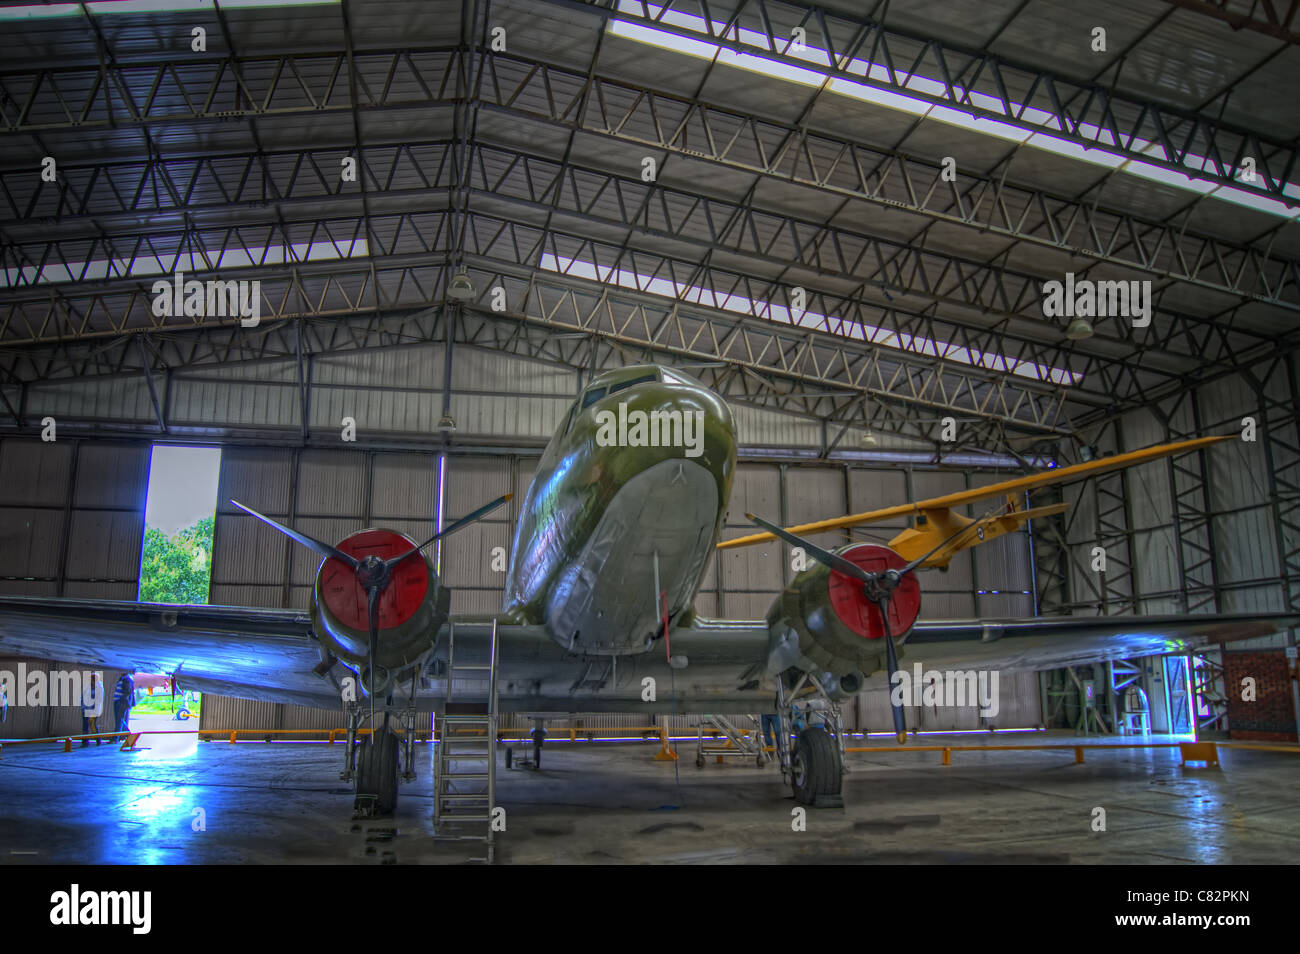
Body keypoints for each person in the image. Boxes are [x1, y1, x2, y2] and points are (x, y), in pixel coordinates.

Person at [112, 672, 136, 742]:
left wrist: (121, 699)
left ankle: (116, 738)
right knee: (120, 720)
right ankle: (127, 736)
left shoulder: (127, 680)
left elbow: (128, 692)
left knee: (119, 720)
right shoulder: (122, 679)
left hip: (121, 702)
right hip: (118, 701)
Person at [81, 672, 103, 746]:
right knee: (85, 726)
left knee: (92, 725)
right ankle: (85, 742)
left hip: (93, 709)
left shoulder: (99, 687)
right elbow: (83, 695)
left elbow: (100, 699)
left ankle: (98, 740)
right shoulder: (87, 686)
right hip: (85, 708)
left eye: (91, 679)